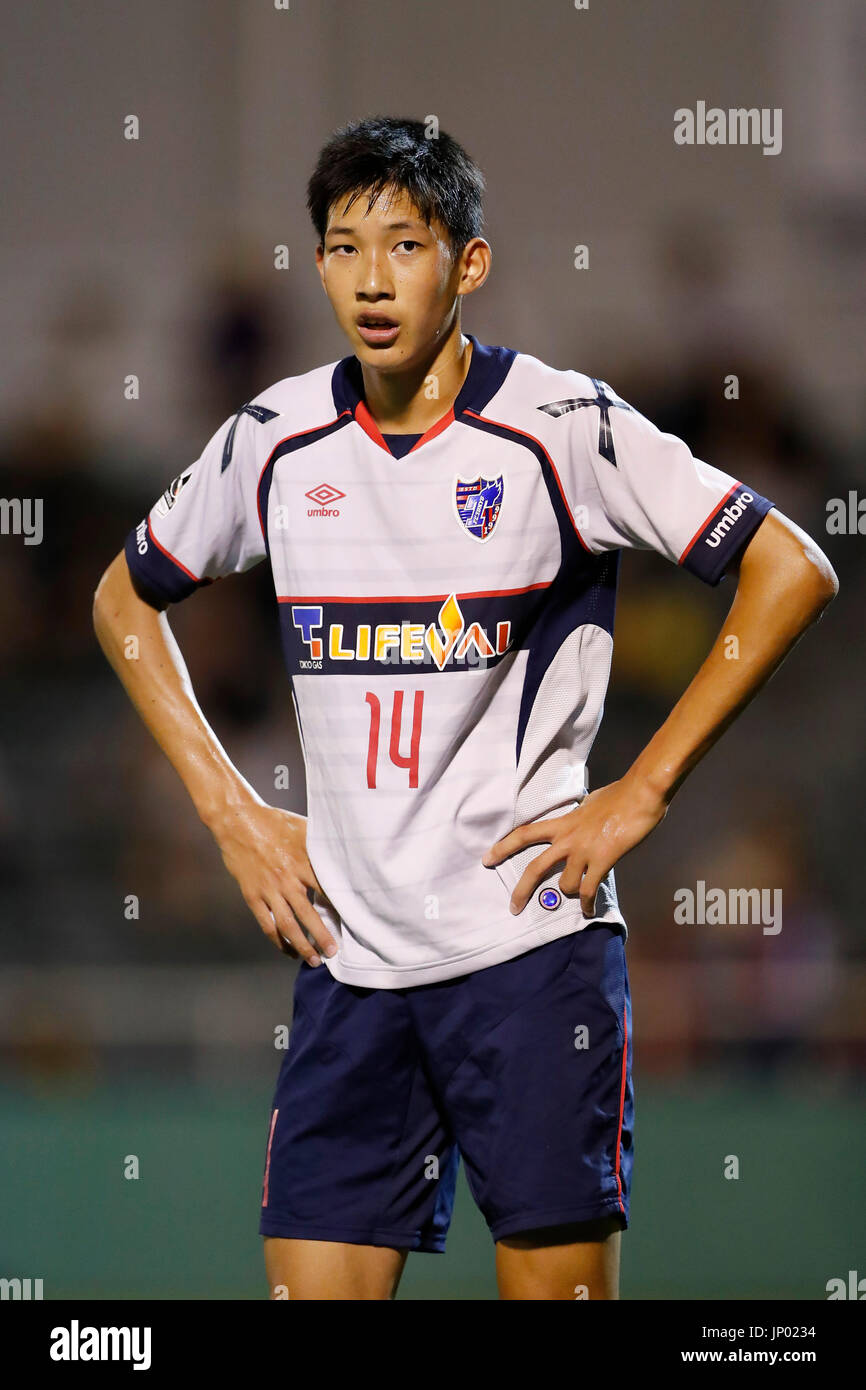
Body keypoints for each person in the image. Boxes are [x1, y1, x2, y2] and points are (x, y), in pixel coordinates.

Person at [92, 115, 838, 1300]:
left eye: (404, 242)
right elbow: (124, 602)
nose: (371, 278)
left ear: (469, 263)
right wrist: (233, 816)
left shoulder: (558, 427)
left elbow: (789, 565)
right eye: (342, 247)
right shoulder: (275, 440)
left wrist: (638, 791)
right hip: (348, 968)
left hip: (528, 961)